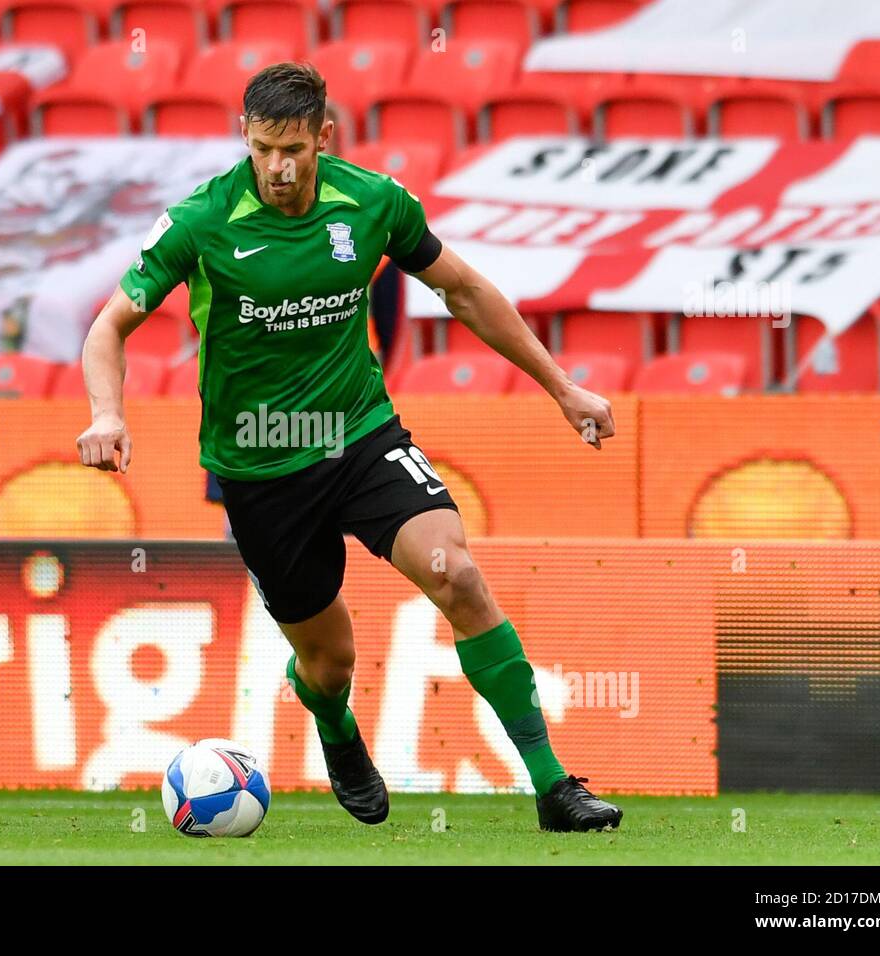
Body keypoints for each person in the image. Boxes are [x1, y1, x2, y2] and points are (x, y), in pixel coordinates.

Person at [78, 63, 622, 832]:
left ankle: (553, 787)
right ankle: (336, 730)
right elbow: (108, 327)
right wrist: (108, 415)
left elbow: (462, 289)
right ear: (246, 137)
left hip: (360, 436)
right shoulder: (201, 222)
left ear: (322, 137)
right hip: (261, 464)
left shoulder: (373, 203)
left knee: (457, 573)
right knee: (328, 663)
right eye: (265, 147)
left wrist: (563, 387)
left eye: (294, 147)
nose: (280, 166)